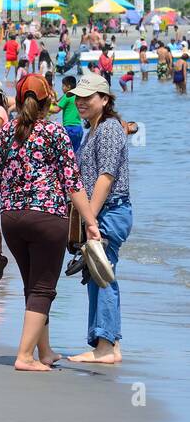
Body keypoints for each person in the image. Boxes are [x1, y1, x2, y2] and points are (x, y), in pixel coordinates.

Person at [0, 74, 101, 372]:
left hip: (11, 220)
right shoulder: (55, 134)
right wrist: (90, 223)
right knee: (44, 287)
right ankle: (24, 356)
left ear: (17, 102)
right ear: (49, 102)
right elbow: (73, 184)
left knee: (32, 284)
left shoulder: (3, 134)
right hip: (48, 218)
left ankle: (43, 350)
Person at [67, 74, 133, 366]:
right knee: (99, 274)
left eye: (88, 97)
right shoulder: (92, 129)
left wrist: (90, 220)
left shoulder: (107, 129)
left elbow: (106, 178)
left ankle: (105, 346)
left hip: (110, 211)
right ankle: (110, 343)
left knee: (102, 275)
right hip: (101, 211)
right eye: (78, 97)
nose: (81, 102)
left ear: (105, 99)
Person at [53, 75, 85, 154]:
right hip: (79, 129)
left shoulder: (67, 95)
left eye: (63, 85)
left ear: (68, 86)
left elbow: (56, 110)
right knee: (76, 152)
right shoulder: (78, 95)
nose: (62, 87)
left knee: (66, 152)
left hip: (69, 128)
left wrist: (45, 108)